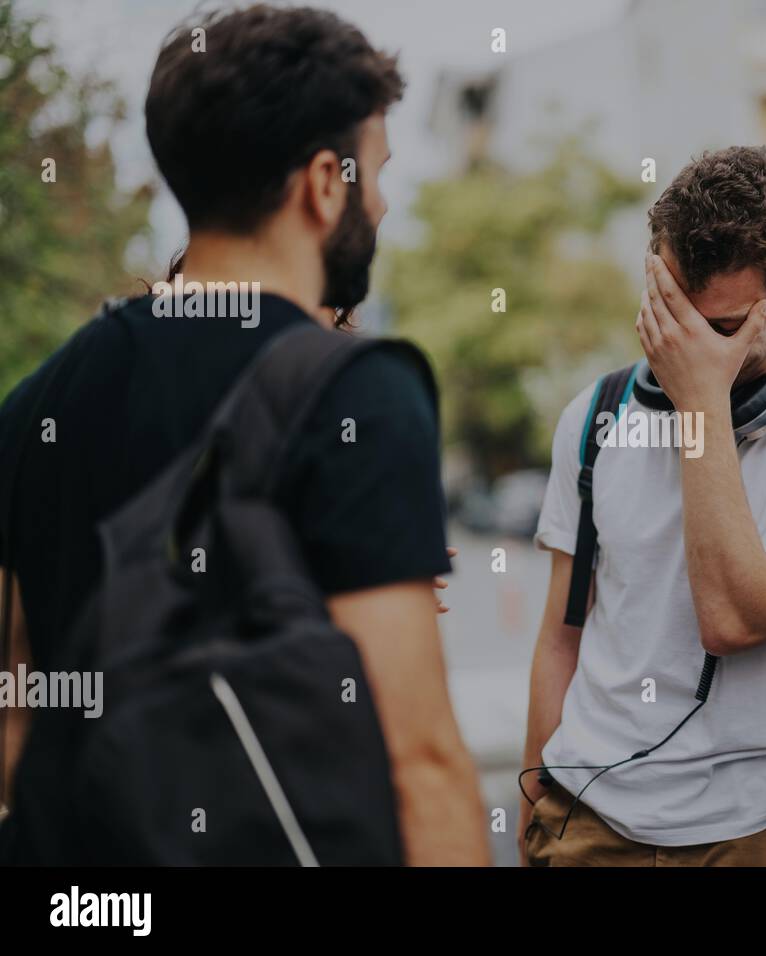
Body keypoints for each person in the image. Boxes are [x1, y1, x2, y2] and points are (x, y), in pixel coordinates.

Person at [0, 4, 487, 865]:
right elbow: (420, 762)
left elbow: (15, 706)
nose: (379, 200)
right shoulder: (360, 394)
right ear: (323, 183)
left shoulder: (36, 401)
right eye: (375, 170)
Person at [520, 146, 766, 866]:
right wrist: (534, 818)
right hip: (589, 821)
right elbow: (561, 636)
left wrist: (699, 399)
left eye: (722, 329)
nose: (688, 347)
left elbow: (731, 618)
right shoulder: (594, 417)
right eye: (672, 312)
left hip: (765, 830)